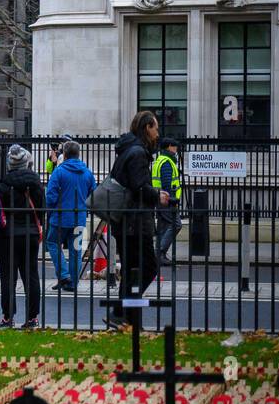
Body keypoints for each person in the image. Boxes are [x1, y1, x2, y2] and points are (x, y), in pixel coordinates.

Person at [108, 111, 169, 318]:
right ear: (147, 128)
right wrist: (157, 196)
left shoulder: (129, 150)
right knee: (149, 267)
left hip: (126, 222)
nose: (158, 134)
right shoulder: (138, 153)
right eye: (156, 128)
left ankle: (123, 315)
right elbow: (139, 186)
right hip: (134, 223)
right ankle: (122, 311)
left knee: (130, 269)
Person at [0, 144, 46, 330]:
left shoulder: (3, 185)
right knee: (31, 275)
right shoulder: (35, 183)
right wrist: (38, 225)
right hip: (30, 233)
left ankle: (8, 317)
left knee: (8, 277)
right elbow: (41, 209)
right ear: (26, 163)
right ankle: (32, 318)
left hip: (8, 235)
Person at [44, 139, 95, 292]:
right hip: (79, 218)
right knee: (76, 250)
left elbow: (50, 196)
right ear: (78, 154)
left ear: (64, 154)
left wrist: (51, 211)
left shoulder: (59, 171)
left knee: (52, 243)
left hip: (60, 218)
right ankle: (73, 282)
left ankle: (64, 275)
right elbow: (94, 194)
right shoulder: (87, 173)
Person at [153, 137, 182, 264]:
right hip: (166, 200)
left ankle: (159, 256)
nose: (176, 149)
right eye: (174, 146)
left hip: (160, 199)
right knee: (176, 224)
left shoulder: (161, 160)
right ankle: (159, 252)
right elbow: (166, 183)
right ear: (169, 146)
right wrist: (171, 199)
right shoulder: (166, 162)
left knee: (163, 227)